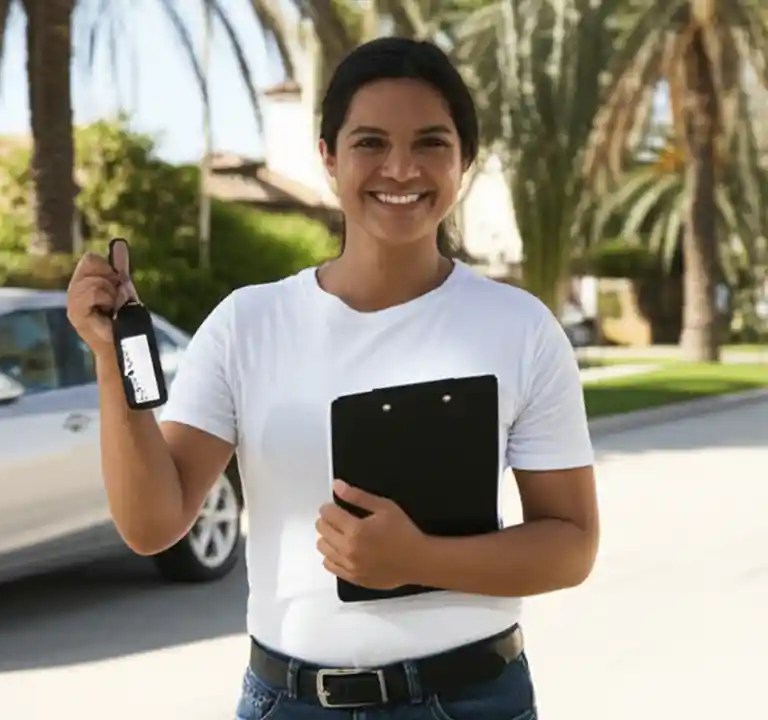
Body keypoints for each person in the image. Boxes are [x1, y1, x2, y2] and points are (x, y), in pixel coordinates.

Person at [65, 36, 599, 719]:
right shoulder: (245, 324)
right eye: (370, 142)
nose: (400, 168)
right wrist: (113, 361)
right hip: (288, 703)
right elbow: (152, 524)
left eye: (432, 143)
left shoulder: (520, 330)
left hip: (471, 701)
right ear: (328, 158)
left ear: (464, 161)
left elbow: (571, 545)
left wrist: (416, 558)